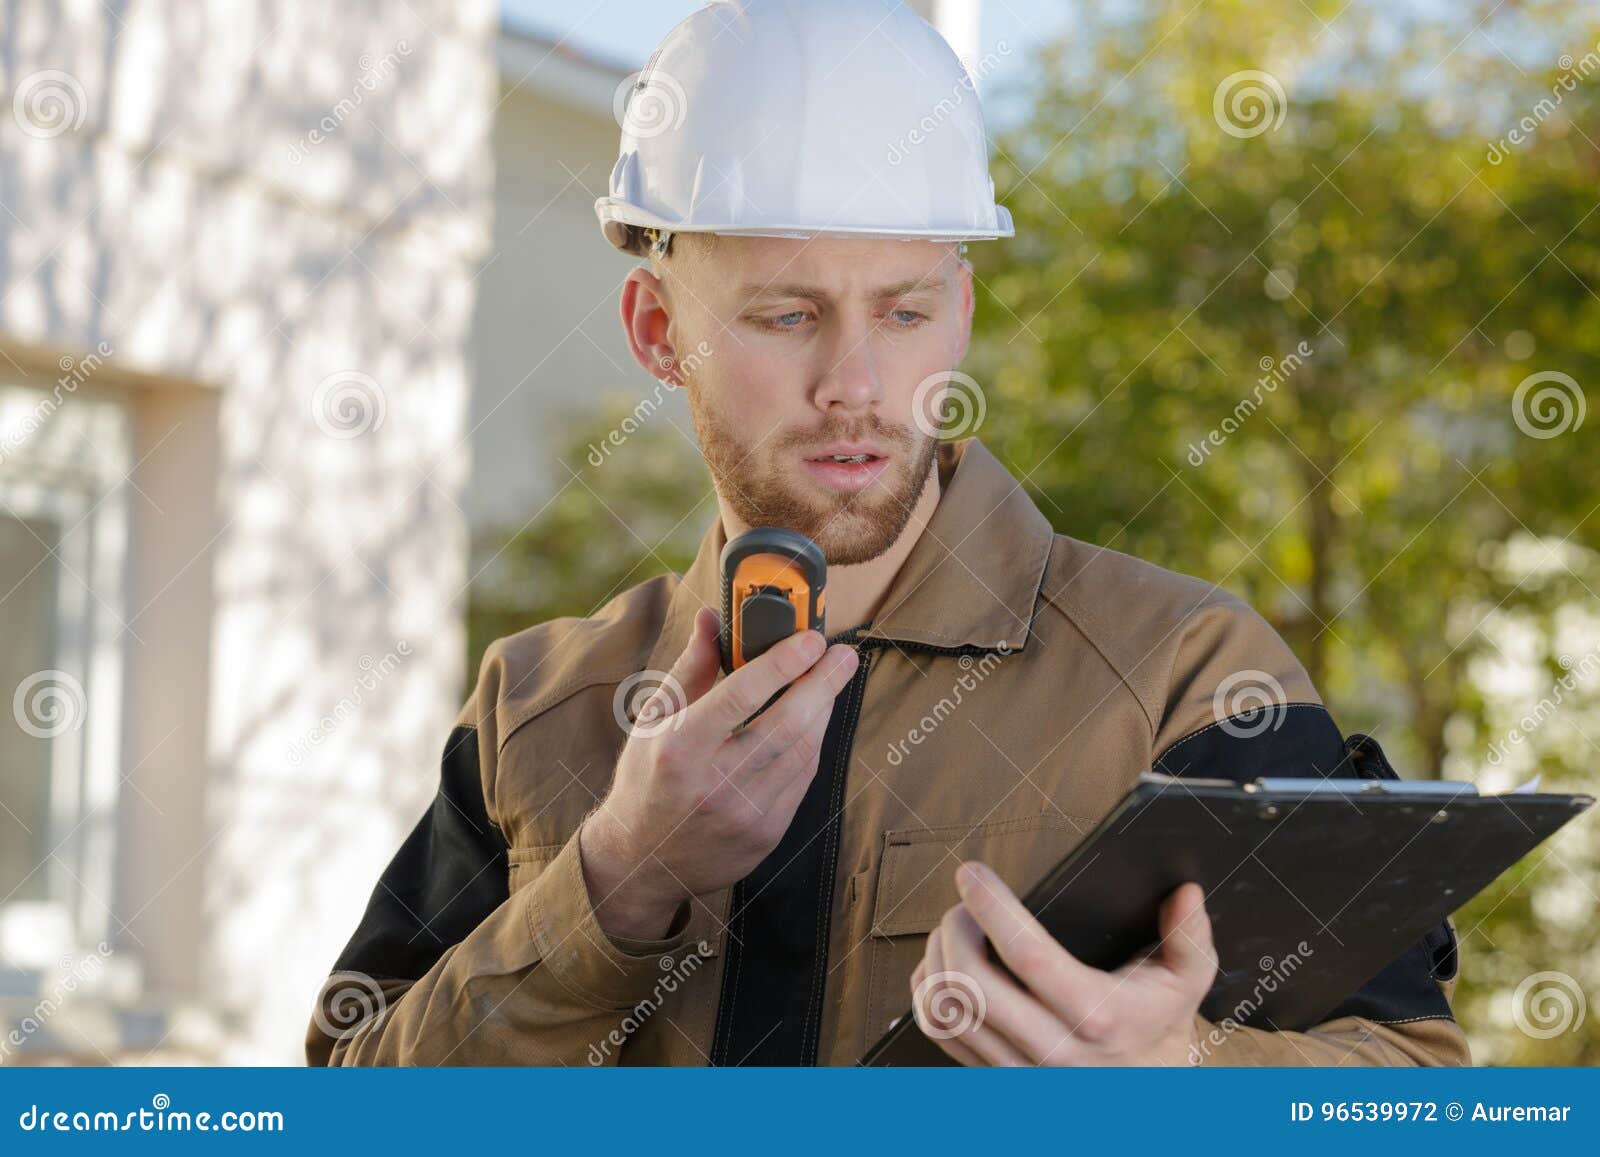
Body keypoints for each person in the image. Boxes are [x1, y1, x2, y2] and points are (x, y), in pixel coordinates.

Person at [306, 0, 1467, 1067]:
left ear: (958, 313)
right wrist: (611, 883)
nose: (854, 384)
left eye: (904, 312)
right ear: (658, 329)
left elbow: (1420, 1093)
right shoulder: (536, 709)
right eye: (786, 314)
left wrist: (1180, 1076)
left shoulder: (1187, 675)